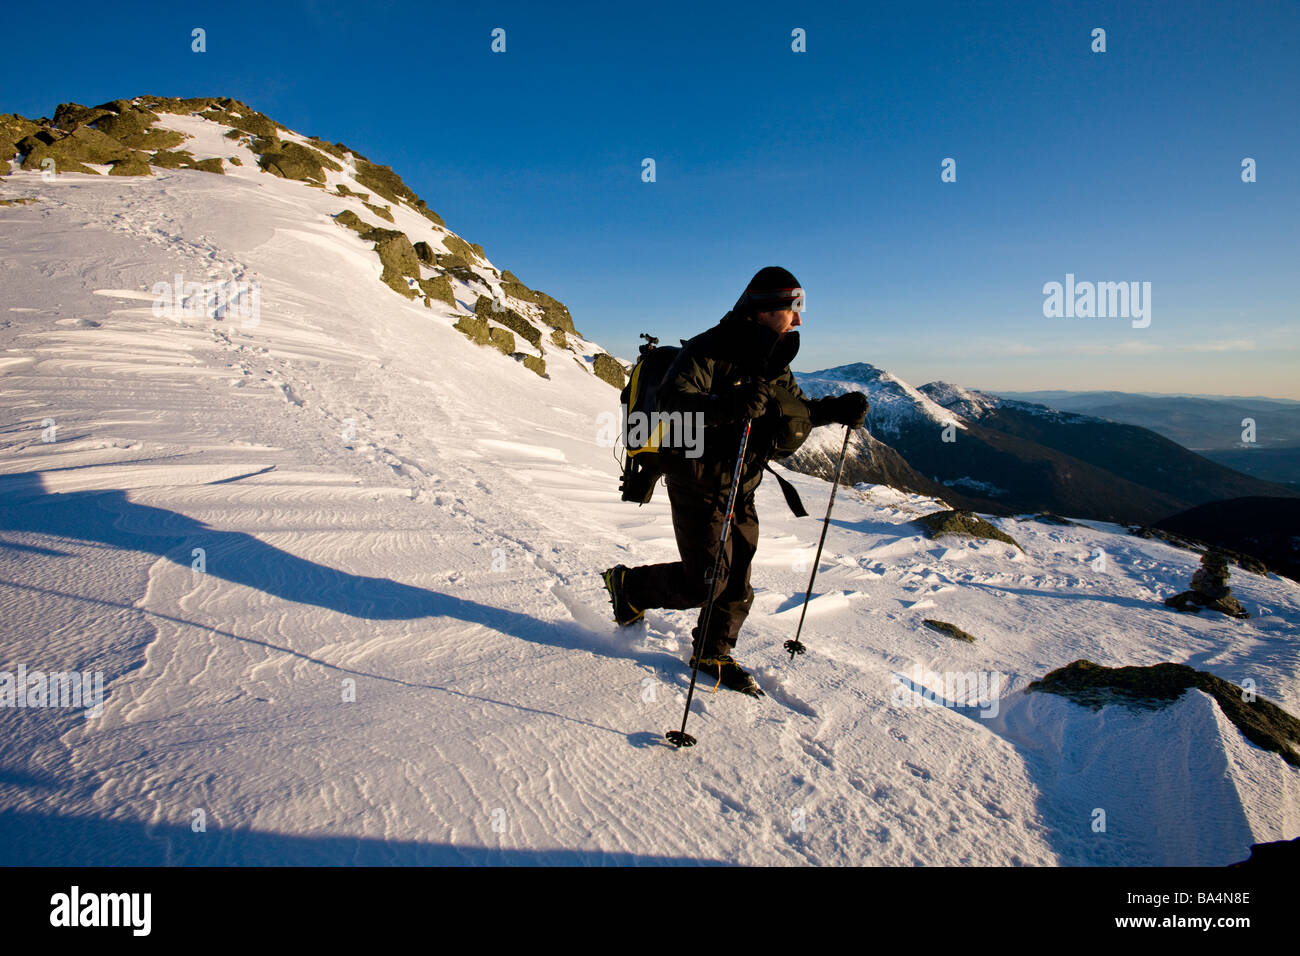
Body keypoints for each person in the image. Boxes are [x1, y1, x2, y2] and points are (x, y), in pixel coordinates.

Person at [601, 267, 869, 695]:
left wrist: (836, 411)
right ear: (765, 310)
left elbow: (793, 409)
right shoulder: (709, 349)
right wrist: (727, 404)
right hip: (697, 476)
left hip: (742, 480)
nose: (799, 319)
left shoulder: (774, 357)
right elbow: (672, 404)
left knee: (738, 571)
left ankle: (713, 652)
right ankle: (628, 586)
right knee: (706, 578)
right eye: (793, 308)